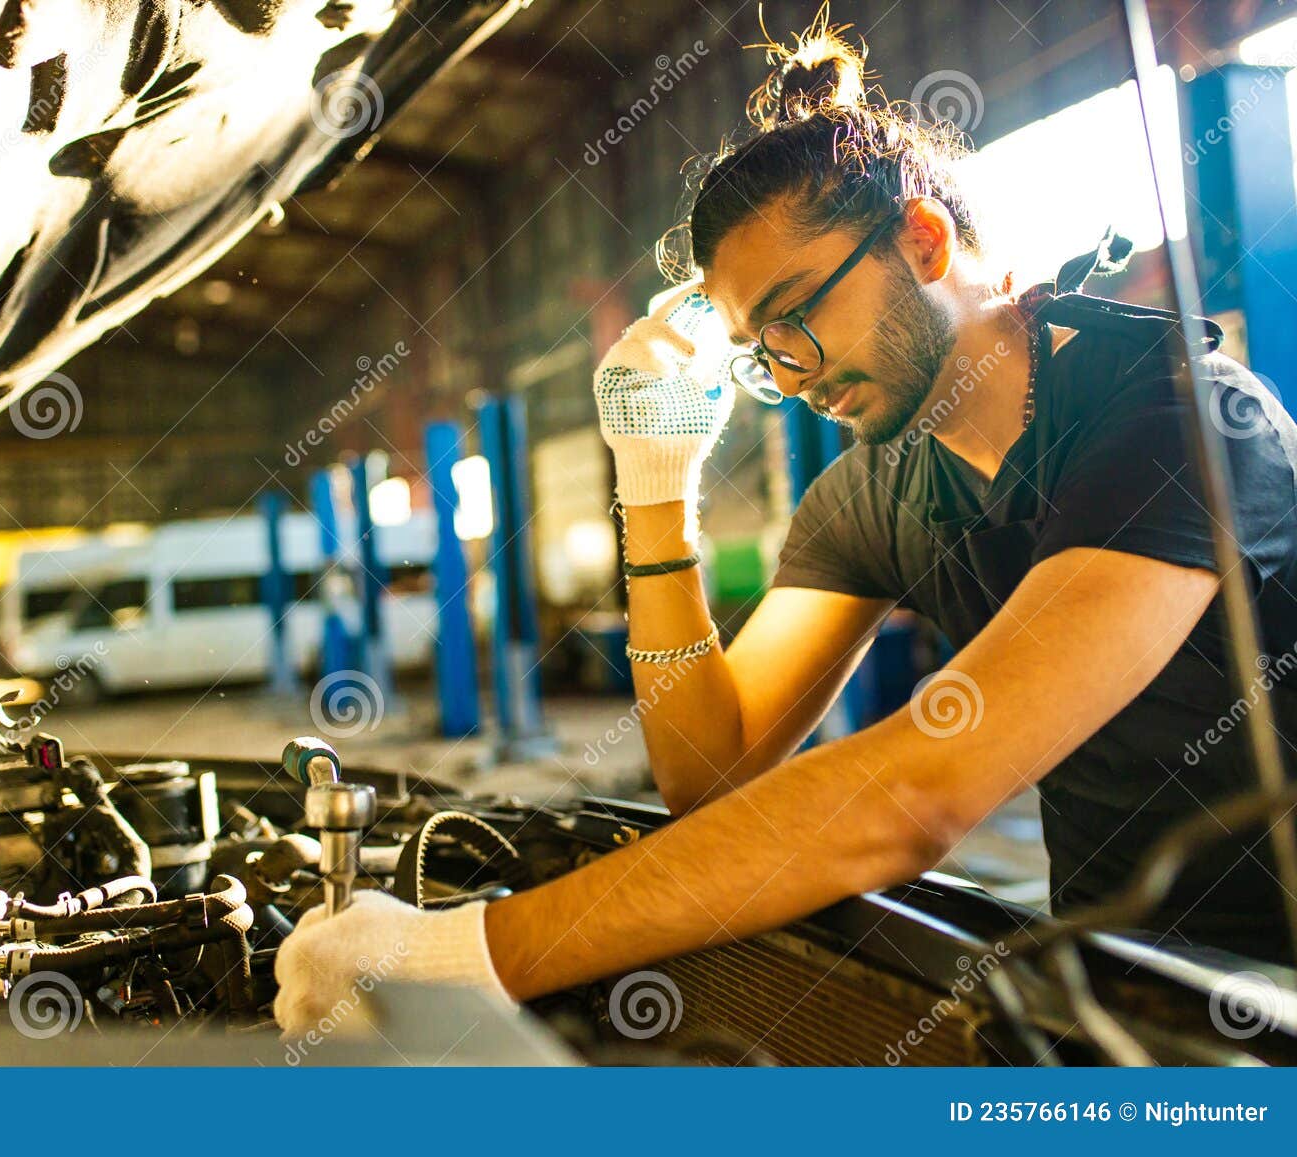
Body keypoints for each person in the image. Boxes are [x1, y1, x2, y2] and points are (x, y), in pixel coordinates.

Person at [272, 26, 1297, 1036]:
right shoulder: (872, 494)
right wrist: (654, 483)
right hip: (1119, 996)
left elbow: (916, 793)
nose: (792, 378)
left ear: (923, 240)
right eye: (760, 353)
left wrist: (465, 954)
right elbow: (709, 772)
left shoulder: (1174, 420)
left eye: (793, 317)